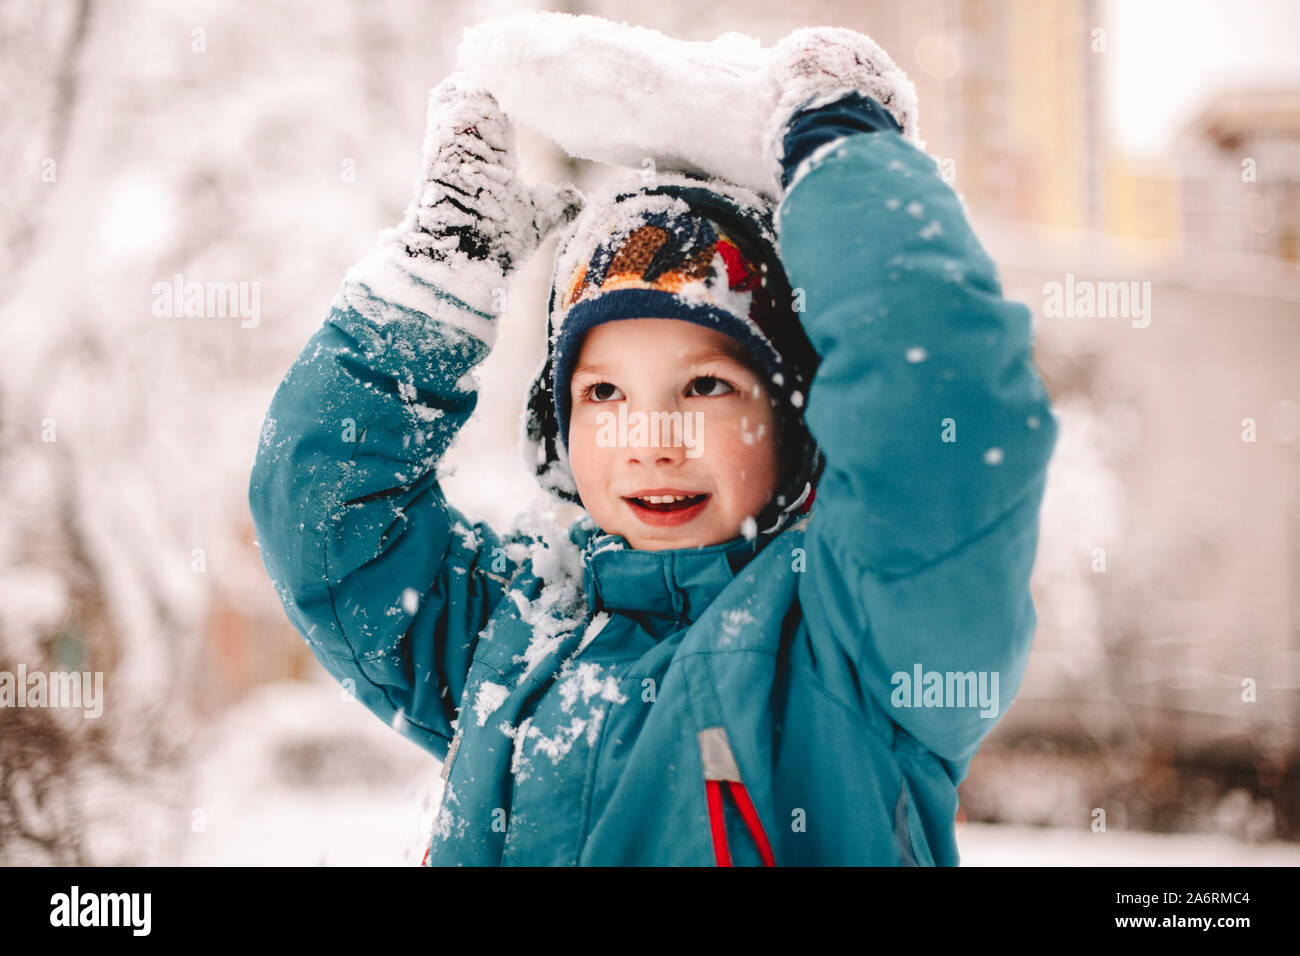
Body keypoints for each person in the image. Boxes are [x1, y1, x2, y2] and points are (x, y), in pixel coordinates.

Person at [248, 26, 1058, 865]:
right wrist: (434, 286)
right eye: (603, 393)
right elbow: (325, 525)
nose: (650, 440)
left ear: (797, 418)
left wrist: (844, 165)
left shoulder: (856, 642)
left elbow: (944, 428)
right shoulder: (513, 629)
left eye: (705, 387)